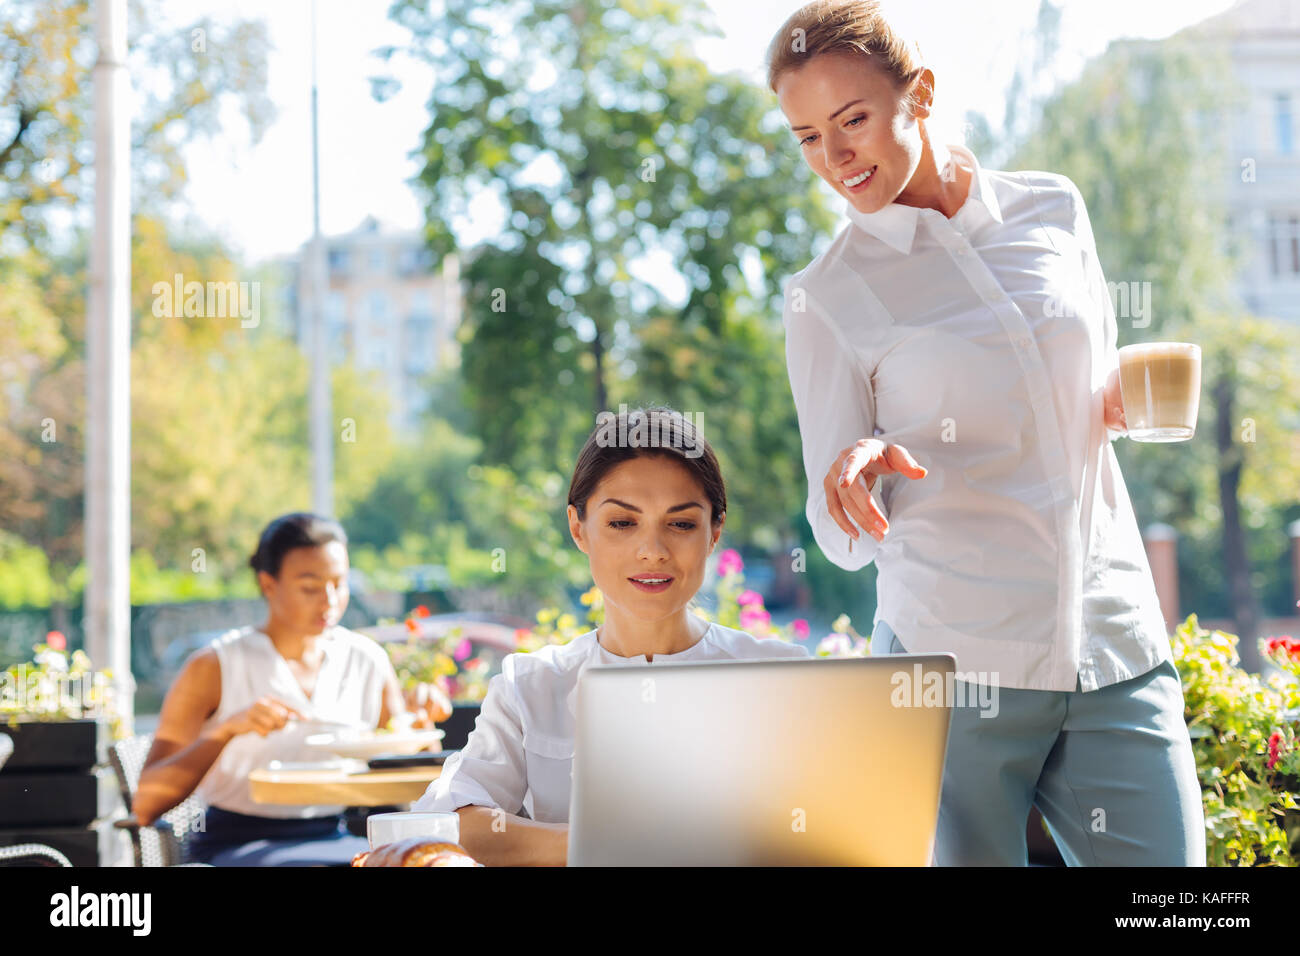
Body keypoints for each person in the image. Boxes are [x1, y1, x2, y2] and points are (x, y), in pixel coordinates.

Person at [768, 0, 1204, 865]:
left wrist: (1108, 398)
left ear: (919, 94)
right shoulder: (826, 295)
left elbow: (1084, 394)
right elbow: (839, 541)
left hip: (1111, 640)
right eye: (808, 136)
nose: (835, 156)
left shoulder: (1053, 210)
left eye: (851, 119)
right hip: (951, 670)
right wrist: (856, 481)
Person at [412, 406, 809, 865]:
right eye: (622, 523)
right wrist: (608, 846)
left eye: (681, 524)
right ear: (579, 528)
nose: (652, 551)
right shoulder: (531, 686)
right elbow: (447, 822)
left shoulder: (780, 674)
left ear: (714, 531)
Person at [133, 512, 453, 866]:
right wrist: (225, 731)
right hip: (235, 842)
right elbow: (146, 804)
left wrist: (422, 724)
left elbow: (412, 779)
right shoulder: (216, 665)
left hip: (336, 835)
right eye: (310, 586)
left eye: (340, 583)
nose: (329, 600)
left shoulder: (366, 660)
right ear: (268, 584)